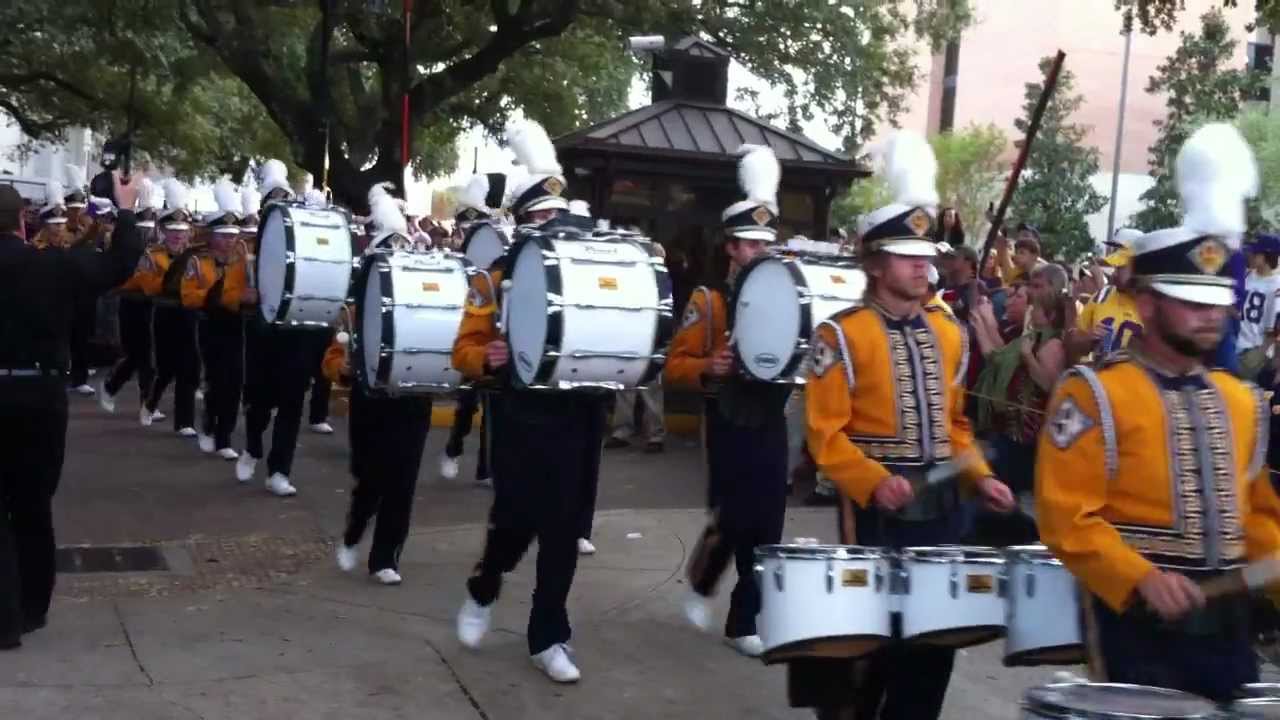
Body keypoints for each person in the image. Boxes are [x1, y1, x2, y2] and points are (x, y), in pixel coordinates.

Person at [1036, 123, 1280, 703]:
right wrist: (1139, 576)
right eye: (1192, 302)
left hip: (1226, 630)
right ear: (1147, 303)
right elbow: (1066, 517)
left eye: (1216, 302)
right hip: (1134, 625)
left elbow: (1256, 515)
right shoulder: (1093, 394)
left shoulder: (1242, 402)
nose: (1209, 316)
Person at [796, 131, 1014, 719]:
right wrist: (871, 480)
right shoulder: (838, 336)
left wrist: (979, 476)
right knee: (874, 646)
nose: (924, 269)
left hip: (941, 505)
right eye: (909, 258)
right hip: (874, 509)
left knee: (935, 643)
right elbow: (824, 433)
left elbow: (956, 426)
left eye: (928, 259)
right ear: (874, 263)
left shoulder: (948, 333)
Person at [453, 119, 608, 683]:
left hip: (579, 410)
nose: (553, 226)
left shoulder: (593, 270)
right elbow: (463, 350)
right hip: (520, 412)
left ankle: (549, 636)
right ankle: (484, 586)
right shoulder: (494, 278)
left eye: (557, 216)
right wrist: (485, 357)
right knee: (515, 522)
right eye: (541, 218)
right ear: (521, 225)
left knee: (564, 530)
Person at [0, 173, 143, 650]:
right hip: (40, 395)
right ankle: (32, 607)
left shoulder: (51, 263)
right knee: (33, 502)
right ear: (22, 221)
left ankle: (5, 613)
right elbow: (120, 264)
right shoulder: (51, 267)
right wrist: (125, 210)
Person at [666, 145, 791, 659]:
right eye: (746, 245)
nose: (755, 253)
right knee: (735, 515)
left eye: (764, 244)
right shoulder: (709, 301)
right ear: (730, 249)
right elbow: (673, 366)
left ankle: (744, 619)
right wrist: (706, 367)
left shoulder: (788, 294)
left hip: (772, 417)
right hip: (727, 417)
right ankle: (701, 580)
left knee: (769, 526)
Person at [329, 187, 433, 585]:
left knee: (403, 481)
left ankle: (386, 556)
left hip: (411, 397)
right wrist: (345, 367)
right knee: (370, 477)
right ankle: (355, 532)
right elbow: (331, 358)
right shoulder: (352, 310)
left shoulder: (423, 304)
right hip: (370, 398)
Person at [236, 159, 334, 497]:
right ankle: (252, 446)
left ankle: (279, 470)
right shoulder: (251, 245)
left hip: (299, 328)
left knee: (292, 401)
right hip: (265, 329)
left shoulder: (301, 238)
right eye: (272, 203)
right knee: (261, 400)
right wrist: (249, 295)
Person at [181, 179, 254, 460]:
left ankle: (225, 436)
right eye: (222, 235)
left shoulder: (243, 261)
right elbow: (189, 297)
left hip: (237, 325)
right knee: (215, 380)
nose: (229, 240)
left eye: (232, 235)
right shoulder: (197, 262)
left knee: (235, 382)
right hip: (209, 325)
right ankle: (210, 427)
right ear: (211, 236)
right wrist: (222, 295)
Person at [440, 173, 500, 488]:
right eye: (465, 227)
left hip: (485, 322)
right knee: (466, 403)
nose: (467, 232)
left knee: (489, 400)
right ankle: (453, 449)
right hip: (464, 324)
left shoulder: (496, 251)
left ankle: (485, 468)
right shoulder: (453, 257)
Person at [141, 179, 201, 436]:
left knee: (190, 366)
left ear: (189, 231)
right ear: (163, 230)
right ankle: (150, 404)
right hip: (165, 314)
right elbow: (150, 287)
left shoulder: (198, 256)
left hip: (190, 315)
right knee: (165, 368)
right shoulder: (152, 255)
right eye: (172, 229)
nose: (178, 234)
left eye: (182, 229)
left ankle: (184, 422)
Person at [99, 178, 164, 415]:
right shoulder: (122, 235)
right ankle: (112, 385)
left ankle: (145, 400)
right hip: (130, 299)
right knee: (138, 354)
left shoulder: (156, 235)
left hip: (151, 300)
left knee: (148, 354)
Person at [1066, 239, 1142, 364]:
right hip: (1100, 377)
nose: (1115, 273)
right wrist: (1087, 338)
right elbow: (1072, 344)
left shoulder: (1153, 305)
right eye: (1115, 267)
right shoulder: (1102, 296)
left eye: (1121, 268)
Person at [1235, 233, 1280, 381]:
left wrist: (1260, 354)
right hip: (1236, 344)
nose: (1251, 255)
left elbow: (1274, 330)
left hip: (1254, 350)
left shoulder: (1276, 285)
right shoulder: (1247, 275)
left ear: (1267, 256)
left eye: (1256, 253)